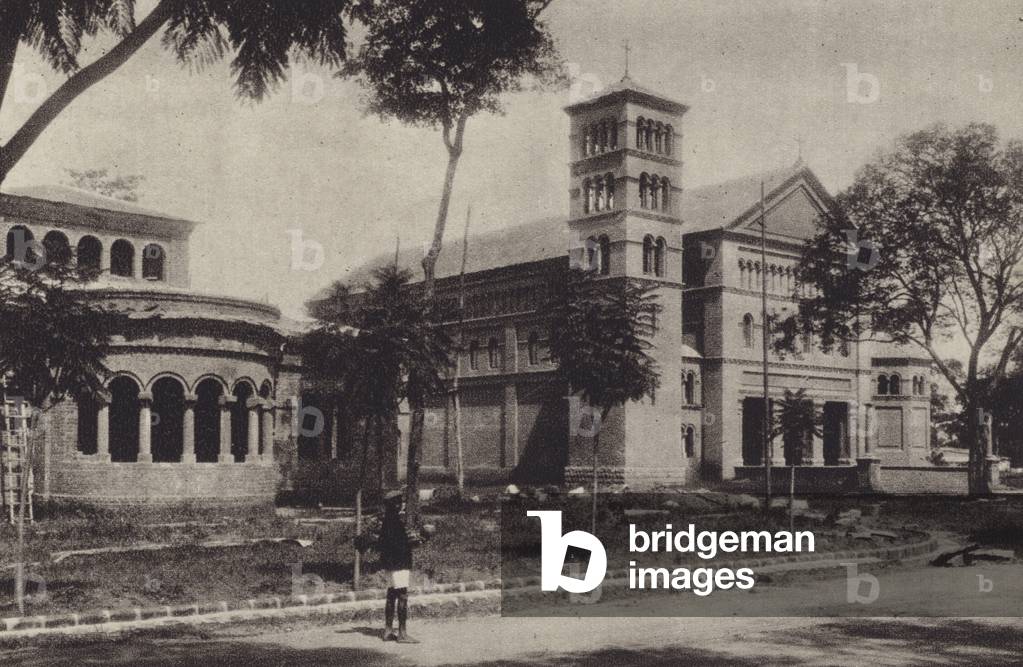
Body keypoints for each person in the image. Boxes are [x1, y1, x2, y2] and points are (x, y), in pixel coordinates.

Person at [358, 488, 427, 643]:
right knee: (402, 595)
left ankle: (388, 630)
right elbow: (398, 544)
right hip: (399, 562)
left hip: (389, 563)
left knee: (391, 594)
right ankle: (402, 633)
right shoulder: (395, 521)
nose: (401, 504)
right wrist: (415, 542)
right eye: (399, 502)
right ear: (395, 504)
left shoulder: (388, 520)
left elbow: (384, 542)